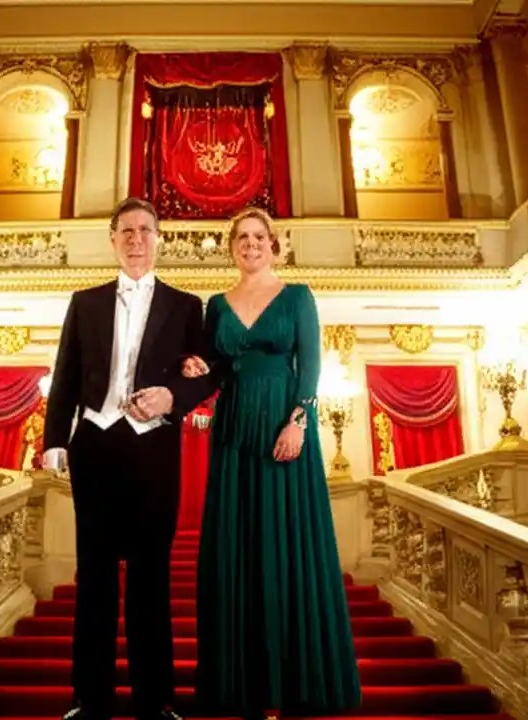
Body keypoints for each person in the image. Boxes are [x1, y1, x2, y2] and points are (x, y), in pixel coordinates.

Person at [182, 207, 362, 720]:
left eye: (260, 237)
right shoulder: (216, 306)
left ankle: (295, 680)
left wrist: (299, 422)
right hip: (235, 431)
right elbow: (214, 371)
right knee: (240, 547)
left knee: (286, 547)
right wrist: (199, 367)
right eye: (242, 237)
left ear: (274, 245)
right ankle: (243, 683)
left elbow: (311, 365)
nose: (251, 244)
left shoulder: (298, 297)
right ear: (231, 246)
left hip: (284, 433)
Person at [42, 197, 213, 720]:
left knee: (150, 579)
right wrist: (55, 438)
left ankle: (155, 701)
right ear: (113, 239)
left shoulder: (188, 307)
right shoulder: (85, 301)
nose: (136, 239)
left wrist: (173, 398)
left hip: (154, 448)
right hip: (94, 444)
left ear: (159, 239)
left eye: (145, 230)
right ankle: (87, 701)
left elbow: (205, 374)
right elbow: (66, 371)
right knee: (93, 579)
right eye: (127, 231)